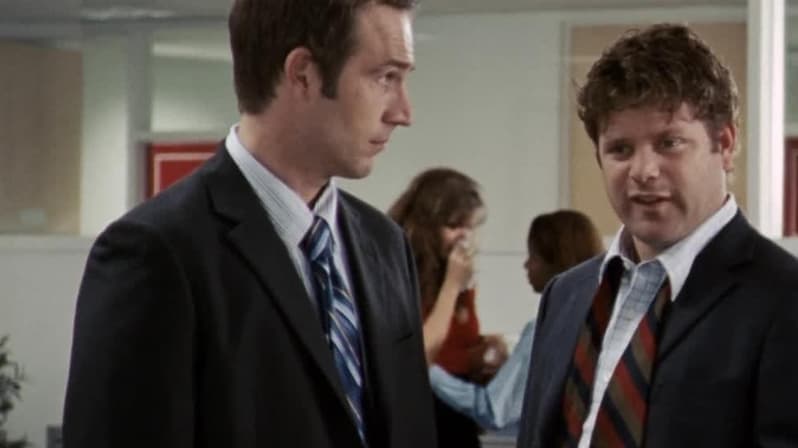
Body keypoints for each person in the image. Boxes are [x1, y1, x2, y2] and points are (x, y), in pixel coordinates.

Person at [62, 1, 437, 447]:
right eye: (385, 77)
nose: (404, 112)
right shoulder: (155, 254)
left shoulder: (386, 245)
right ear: (303, 74)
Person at [517, 23, 798, 448]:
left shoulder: (783, 298)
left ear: (724, 144)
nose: (644, 171)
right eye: (620, 149)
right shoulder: (566, 295)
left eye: (669, 143)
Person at [429, 210, 603, 435]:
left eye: (533, 256)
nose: (526, 264)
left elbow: (493, 411)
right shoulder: (599, 321)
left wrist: (428, 370)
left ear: (555, 261)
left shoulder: (545, 329)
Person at [388, 167, 508, 448]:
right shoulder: (400, 275)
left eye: (470, 227)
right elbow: (419, 355)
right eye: (454, 226)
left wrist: (481, 351)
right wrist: (452, 286)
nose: (464, 238)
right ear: (427, 227)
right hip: (421, 418)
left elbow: (452, 347)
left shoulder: (455, 276)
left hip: (457, 418)